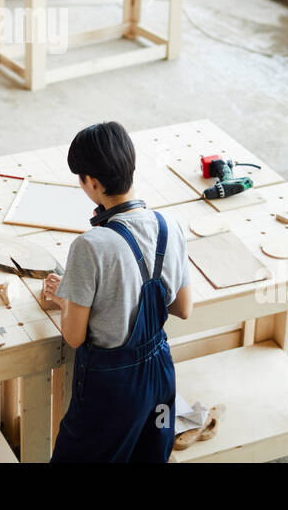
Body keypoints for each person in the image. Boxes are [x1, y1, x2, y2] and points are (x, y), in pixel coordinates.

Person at [42, 121, 194, 463]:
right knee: (151, 455)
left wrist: (64, 298)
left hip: (112, 393)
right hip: (161, 381)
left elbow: (75, 336)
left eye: (80, 179)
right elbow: (183, 307)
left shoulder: (90, 245)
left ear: (92, 182)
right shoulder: (170, 226)